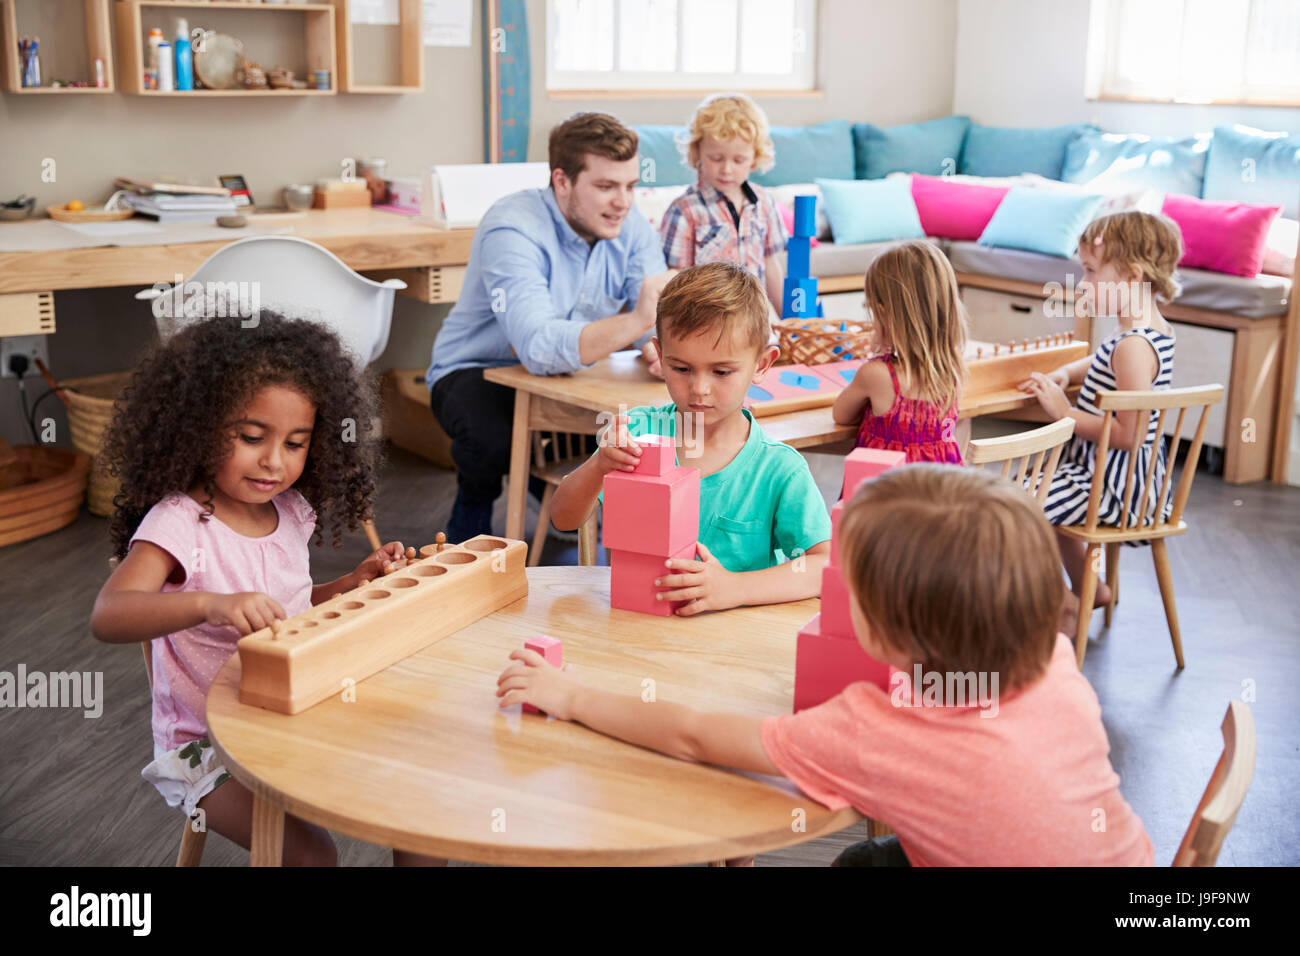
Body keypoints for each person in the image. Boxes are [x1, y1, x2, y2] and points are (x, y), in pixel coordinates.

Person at [497, 465, 1155, 866]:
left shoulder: (879, 730)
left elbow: (695, 735)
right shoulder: (1052, 663)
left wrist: (570, 695)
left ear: (884, 625)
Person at [90, 313, 440, 866]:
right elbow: (108, 615)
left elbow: (291, 611)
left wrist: (351, 585)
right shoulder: (179, 521)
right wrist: (208, 603)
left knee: (423, 805)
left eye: (296, 443)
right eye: (252, 437)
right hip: (209, 748)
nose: (274, 461)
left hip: (296, 707)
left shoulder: (290, 511)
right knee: (312, 859)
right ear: (199, 425)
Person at [426, 112, 677, 542]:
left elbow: (651, 318)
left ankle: (575, 505)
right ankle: (469, 525)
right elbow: (539, 348)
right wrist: (639, 320)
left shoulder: (630, 225)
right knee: (493, 436)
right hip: (474, 368)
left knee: (647, 414)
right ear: (561, 181)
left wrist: (659, 348)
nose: (623, 202)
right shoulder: (512, 226)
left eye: (631, 186)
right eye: (605, 186)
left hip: (574, 369)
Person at [549, 261, 831, 615]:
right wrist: (599, 467)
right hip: (635, 628)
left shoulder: (779, 469)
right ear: (660, 355)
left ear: (762, 365)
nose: (699, 389)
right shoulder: (637, 435)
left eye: (721, 371)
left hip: (730, 644)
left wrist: (736, 587)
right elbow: (563, 519)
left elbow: (823, 565)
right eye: (681, 369)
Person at [1021, 211, 1180, 625]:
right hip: (1109, 477)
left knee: (1015, 505)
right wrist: (1067, 373)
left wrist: (1064, 412)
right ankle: (1090, 588)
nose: (1085, 285)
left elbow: (1131, 434)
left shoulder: (1132, 346)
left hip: (1113, 487)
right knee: (1027, 490)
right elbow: (1101, 360)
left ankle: (1065, 600)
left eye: (1091, 273)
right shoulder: (1140, 331)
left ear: (1130, 276)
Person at [832, 240, 967, 466]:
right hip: (941, 497)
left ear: (884, 314)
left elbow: (841, 415)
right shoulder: (953, 373)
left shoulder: (876, 374)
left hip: (885, 497)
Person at [656, 93, 788, 323]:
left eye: (738, 160)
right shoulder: (685, 211)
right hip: (703, 325)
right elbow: (672, 283)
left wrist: (789, 321)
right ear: (698, 153)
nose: (726, 169)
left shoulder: (764, 203)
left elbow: (770, 266)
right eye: (716, 158)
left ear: (754, 157)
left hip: (754, 324)